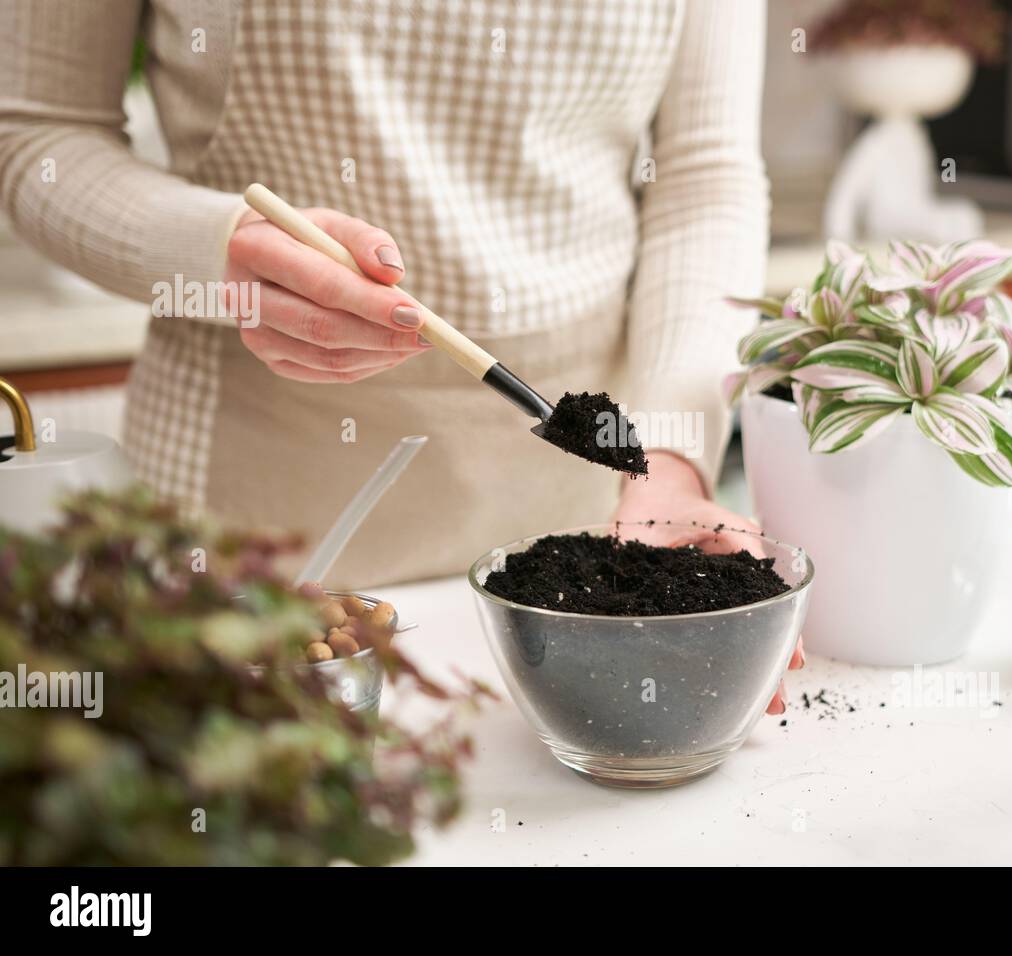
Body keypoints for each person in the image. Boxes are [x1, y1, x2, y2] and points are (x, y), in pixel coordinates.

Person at [1, 0, 800, 711]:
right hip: (243, 530)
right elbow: (34, 134)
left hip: (591, 517)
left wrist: (671, 466)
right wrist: (215, 258)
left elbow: (703, 173)